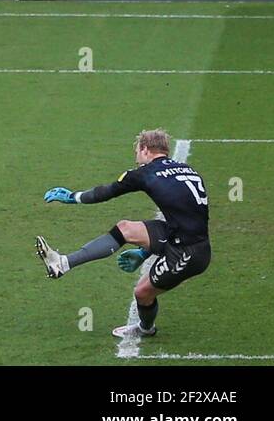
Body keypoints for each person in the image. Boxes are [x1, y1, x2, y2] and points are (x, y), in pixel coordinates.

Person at [35, 128, 211, 341]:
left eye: (137, 151)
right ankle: (62, 263)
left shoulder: (145, 173)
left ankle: (146, 329)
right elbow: (185, 215)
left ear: (145, 149)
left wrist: (73, 197)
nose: (136, 159)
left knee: (142, 293)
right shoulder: (186, 169)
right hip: (188, 237)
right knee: (125, 228)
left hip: (188, 253)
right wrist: (145, 252)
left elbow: (105, 192)